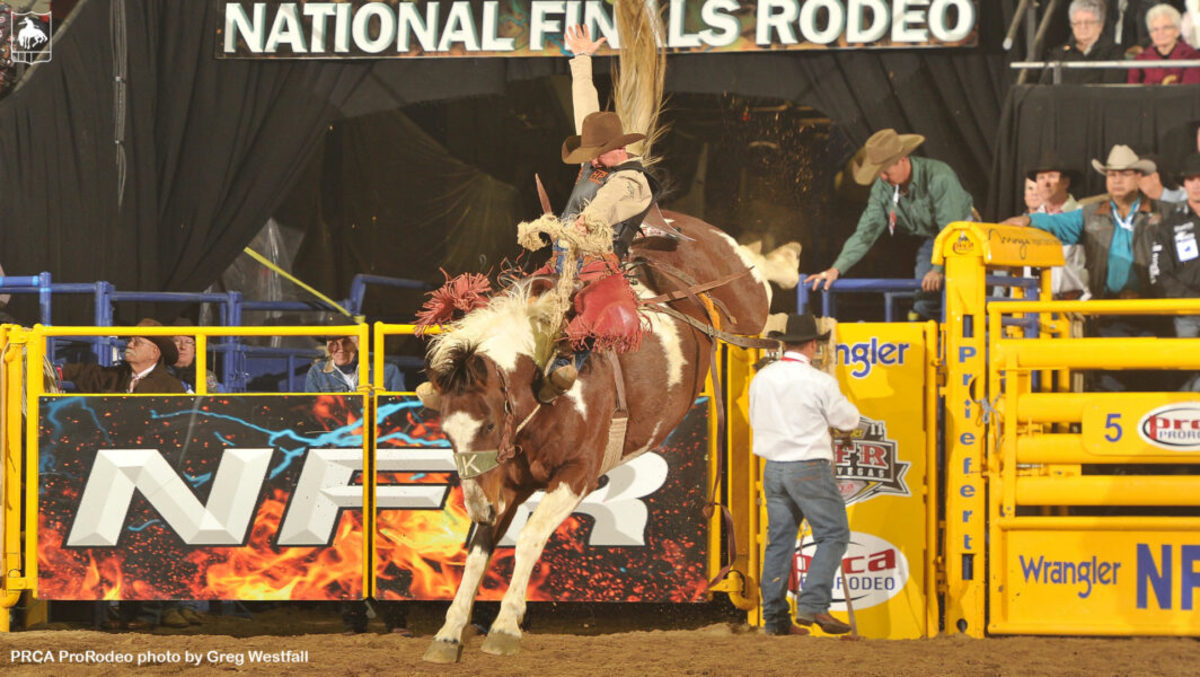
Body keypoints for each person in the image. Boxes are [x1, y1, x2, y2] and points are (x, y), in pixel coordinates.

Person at [535, 23, 657, 403]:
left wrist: (572, 228)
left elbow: (600, 212)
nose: (588, 159)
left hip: (598, 267)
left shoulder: (633, 183)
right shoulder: (600, 161)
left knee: (593, 316)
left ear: (612, 149)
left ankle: (563, 373)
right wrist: (583, 60)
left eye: (594, 152)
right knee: (524, 301)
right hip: (562, 260)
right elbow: (586, 112)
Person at [1005, 145, 1163, 390]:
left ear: (1138, 178)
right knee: (1113, 382)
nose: (1117, 180)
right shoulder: (1090, 215)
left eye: (1124, 174)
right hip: (1112, 312)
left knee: (1161, 379)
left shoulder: (1162, 213)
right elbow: (1056, 223)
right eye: (1111, 175)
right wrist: (1028, 219)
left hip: (1158, 310)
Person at [749, 313, 859, 637]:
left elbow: (756, 418)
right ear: (813, 344)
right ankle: (813, 603)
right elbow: (848, 419)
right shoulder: (818, 381)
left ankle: (776, 620)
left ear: (785, 344)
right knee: (833, 533)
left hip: (774, 467)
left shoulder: (763, 378)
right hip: (808, 466)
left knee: (780, 541)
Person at [805, 128, 974, 322]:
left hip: (964, 237)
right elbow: (865, 233)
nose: (883, 178)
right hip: (934, 239)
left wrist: (937, 269)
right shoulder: (883, 189)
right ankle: (933, 340)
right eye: (879, 173)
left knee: (962, 295)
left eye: (886, 171)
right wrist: (835, 269)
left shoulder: (939, 177)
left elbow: (950, 228)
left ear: (902, 159)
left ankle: (964, 340)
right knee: (925, 300)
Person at [1150, 152, 1200, 390]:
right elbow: (1160, 270)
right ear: (1184, 184)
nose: (1196, 185)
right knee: (1187, 370)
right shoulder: (1171, 224)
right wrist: (1190, 299)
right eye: (1190, 179)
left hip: (1187, 310)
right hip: (1187, 310)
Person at [60, 318, 186, 394]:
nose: (130, 345)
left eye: (137, 342)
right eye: (130, 341)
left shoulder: (172, 387)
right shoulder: (114, 376)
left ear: (154, 352)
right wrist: (56, 371)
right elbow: (85, 373)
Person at [1028, 153, 1090, 300]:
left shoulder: (1083, 215)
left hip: (1075, 303)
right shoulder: (1030, 221)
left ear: (1065, 182)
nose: (1045, 183)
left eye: (1052, 176)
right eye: (1041, 178)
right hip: (1038, 304)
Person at [1040, 0, 1126, 85]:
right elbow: (1044, 86)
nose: (1083, 27)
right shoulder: (1059, 54)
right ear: (1071, 25)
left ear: (1100, 25)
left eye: (1088, 22)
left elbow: (1112, 89)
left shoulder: (1114, 53)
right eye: (1077, 23)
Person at [304, 334, 403, 393]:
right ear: (327, 345)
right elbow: (313, 413)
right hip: (335, 428)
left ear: (358, 343)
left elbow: (399, 411)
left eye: (346, 342)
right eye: (333, 343)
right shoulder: (317, 372)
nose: (340, 349)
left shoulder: (387, 369)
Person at [1128, 4, 1200, 84]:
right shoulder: (1140, 60)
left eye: (1166, 28)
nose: (1160, 33)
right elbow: (1132, 93)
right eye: (1155, 29)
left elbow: (1190, 91)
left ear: (1177, 30)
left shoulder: (1192, 57)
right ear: (1150, 34)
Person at [169, 325, 222, 394]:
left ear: (195, 347)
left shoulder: (205, 375)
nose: (183, 347)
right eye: (177, 341)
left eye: (188, 342)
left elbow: (210, 401)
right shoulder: (161, 373)